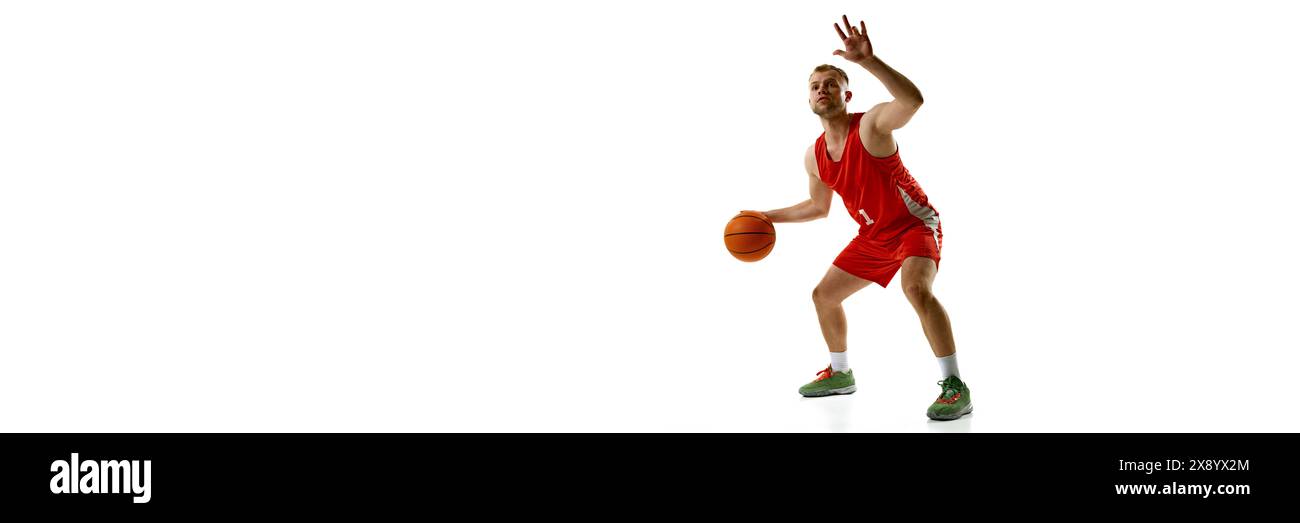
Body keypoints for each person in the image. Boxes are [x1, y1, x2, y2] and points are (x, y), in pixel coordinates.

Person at [749, 15, 971, 421]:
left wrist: (869, 61)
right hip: (874, 234)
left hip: (913, 225)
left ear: (846, 96)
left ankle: (955, 385)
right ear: (808, 98)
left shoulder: (869, 127)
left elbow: (912, 102)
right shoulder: (814, 155)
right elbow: (817, 207)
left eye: (831, 84)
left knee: (915, 289)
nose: (822, 90)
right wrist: (765, 216)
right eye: (815, 86)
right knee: (824, 295)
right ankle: (839, 372)